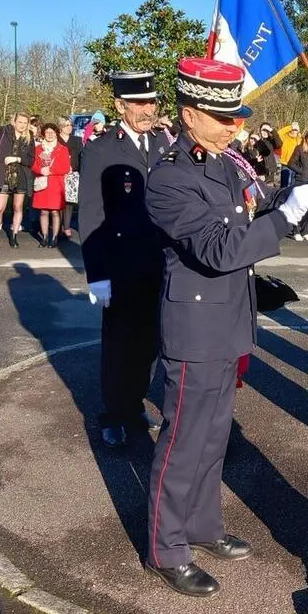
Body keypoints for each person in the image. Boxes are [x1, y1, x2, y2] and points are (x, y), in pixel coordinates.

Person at [144, 57, 308, 597]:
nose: (235, 126)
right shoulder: (171, 178)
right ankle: (166, 546)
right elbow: (221, 247)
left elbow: (257, 206)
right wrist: (288, 213)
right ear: (188, 115)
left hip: (228, 320)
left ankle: (201, 524)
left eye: (236, 116)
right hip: (195, 326)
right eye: (222, 117)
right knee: (182, 441)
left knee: (213, 435)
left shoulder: (224, 165)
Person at [78, 70, 169, 448]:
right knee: (119, 343)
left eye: (151, 102)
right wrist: (97, 278)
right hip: (119, 266)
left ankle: (133, 404)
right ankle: (114, 413)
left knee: (151, 343)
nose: (148, 110)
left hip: (160, 265)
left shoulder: (164, 143)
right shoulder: (100, 150)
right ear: (120, 106)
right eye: (139, 103)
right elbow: (90, 218)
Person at [0, 111, 34, 247]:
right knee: (0, 208)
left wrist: (17, 159)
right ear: (14, 121)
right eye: (20, 122)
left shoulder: (29, 136)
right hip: (4, 175)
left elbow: (31, 160)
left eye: (25, 123)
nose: (22, 125)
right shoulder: (3, 131)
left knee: (18, 207)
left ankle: (14, 235)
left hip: (21, 176)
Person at [31, 122, 71, 247]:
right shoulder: (38, 149)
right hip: (42, 183)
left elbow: (65, 167)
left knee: (55, 211)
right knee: (43, 211)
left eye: (52, 132)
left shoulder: (62, 149)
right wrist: (40, 170)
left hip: (56, 185)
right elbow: (33, 164)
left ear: (56, 134)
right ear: (43, 134)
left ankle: (54, 237)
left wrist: (51, 171)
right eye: (47, 132)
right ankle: (44, 237)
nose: (49, 135)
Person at [58, 116, 83, 240]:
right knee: (57, 201)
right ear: (60, 127)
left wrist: (76, 169)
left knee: (69, 201)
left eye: (70, 125)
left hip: (73, 173)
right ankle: (57, 226)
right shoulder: (56, 139)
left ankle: (66, 226)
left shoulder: (77, 140)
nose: (69, 127)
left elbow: (80, 157)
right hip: (57, 174)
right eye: (66, 125)